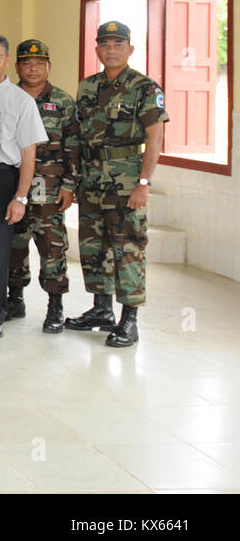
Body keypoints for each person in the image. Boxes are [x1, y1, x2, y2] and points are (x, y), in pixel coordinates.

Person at [66, 20, 167, 348]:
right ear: (96, 49)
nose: (111, 50)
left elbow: (155, 138)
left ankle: (130, 321)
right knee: (94, 249)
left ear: (130, 49)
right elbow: (80, 136)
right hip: (92, 183)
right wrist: (77, 180)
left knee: (128, 250)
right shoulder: (87, 86)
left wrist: (143, 182)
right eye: (105, 44)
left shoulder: (144, 88)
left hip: (125, 184)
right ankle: (101, 310)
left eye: (118, 44)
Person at [0, 34, 48, 340]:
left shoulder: (21, 100)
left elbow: (29, 153)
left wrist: (21, 197)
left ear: (5, 62)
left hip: (3, 178)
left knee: (0, 251)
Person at [10, 39, 79, 333]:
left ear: (48, 66)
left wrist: (69, 184)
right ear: (17, 67)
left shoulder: (63, 102)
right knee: (13, 245)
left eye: (39, 63)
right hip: (11, 187)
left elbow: (73, 145)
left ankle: (55, 305)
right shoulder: (6, 97)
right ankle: (15, 298)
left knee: (52, 246)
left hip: (49, 188)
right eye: (27, 62)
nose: (33, 68)